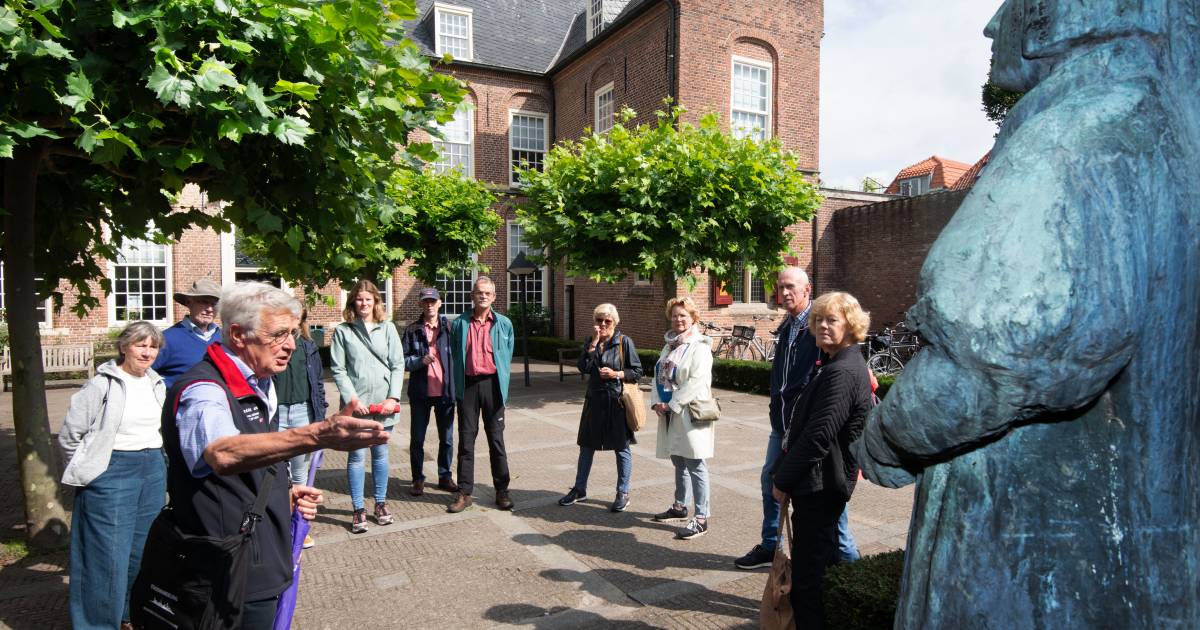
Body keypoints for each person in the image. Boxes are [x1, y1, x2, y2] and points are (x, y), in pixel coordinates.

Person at [158, 281, 387, 629]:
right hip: (226, 569)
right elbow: (221, 453)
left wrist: (283, 493)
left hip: (259, 557)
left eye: (293, 333)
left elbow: (250, 460)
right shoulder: (203, 390)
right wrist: (316, 434)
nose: (291, 345)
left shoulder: (260, 383)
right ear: (238, 334)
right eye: (279, 334)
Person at [735, 267, 860, 570]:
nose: (785, 293)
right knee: (770, 479)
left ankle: (849, 560)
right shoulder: (788, 326)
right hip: (782, 425)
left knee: (825, 493)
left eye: (791, 287)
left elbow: (823, 383)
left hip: (806, 429)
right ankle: (771, 545)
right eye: (780, 288)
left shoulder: (818, 329)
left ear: (808, 289)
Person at [772, 292, 872, 629]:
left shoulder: (842, 371)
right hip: (817, 484)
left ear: (850, 326)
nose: (823, 327)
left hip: (821, 487)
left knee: (808, 582)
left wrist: (781, 480)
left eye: (832, 320)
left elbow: (818, 436)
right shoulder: (834, 363)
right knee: (818, 569)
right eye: (819, 321)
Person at [59, 322, 167, 630]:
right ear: (123, 347)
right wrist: (90, 470)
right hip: (112, 471)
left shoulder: (157, 382)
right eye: (140, 345)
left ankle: (126, 615)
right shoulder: (102, 384)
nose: (147, 352)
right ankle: (95, 624)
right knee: (106, 556)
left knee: (142, 550)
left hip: (152, 468)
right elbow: (70, 435)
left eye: (153, 346)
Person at [331, 279, 405, 533]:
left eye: (368, 299)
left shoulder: (388, 329)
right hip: (358, 407)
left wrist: (393, 397)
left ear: (376, 302)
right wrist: (353, 400)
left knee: (381, 455)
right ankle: (358, 508)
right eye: (359, 299)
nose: (364, 303)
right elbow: (338, 370)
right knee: (357, 456)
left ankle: (381, 503)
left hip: (384, 406)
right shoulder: (343, 331)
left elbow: (398, 364)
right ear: (353, 301)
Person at [558, 303, 642, 512]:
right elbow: (583, 367)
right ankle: (579, 489)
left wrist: (616, 374)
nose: (603, 324)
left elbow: (637, 371)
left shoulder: (624, 342)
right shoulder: (590, 341)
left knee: (622, 449)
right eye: (599, 320)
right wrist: (594, 343)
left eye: (607, 321)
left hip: (616, 403)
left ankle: (623, 492)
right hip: (594, 401)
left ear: (615, 322)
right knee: (586, 447)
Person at [649, 297, 715, 540]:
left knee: (696, 463)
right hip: (669, 412)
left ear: (693, 319)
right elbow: (657, 374)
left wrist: (672, 404)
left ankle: (701, 517)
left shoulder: (700, 347)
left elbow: (696, 382)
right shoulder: (670, 345)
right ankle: (679, 506)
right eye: (675, 315)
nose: (678, 320)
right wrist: (656, 400)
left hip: (689, 413)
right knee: (678, 460)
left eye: (683, 316)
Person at [447, 276, 515, 513]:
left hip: (493, 385)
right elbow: (456, 354)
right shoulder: (459, 324)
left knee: (496, 441)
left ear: (494, 297)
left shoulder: (504, 324)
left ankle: (502, 491)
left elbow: (507, 355)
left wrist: (503, 384)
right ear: (472, 296)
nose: (483, 296)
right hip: (468, 386)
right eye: (479, 292)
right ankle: (465, 493)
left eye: (487, 293)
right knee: (466, 440)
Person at [273, 309, 328, 549]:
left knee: (300, 475)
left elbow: (317, 382)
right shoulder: (273, 344)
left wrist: (320, 417)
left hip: (302, 412)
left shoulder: (307, 345)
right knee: (276, 476)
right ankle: (279, 527)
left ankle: (300, 527)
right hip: (278, 414)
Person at [401, 287, 458, 496]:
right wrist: (419, 361)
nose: (429, 305)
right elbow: (402, 361)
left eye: (433, 301)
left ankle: (445, 476)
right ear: (420, 304)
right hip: (420, 394)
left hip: (445, 393)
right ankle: (417, 479)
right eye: (425, 301)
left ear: (440, 303)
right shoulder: (412, 330)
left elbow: (460, 358)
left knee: (448, 439)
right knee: (417, 439)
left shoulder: (451, 328)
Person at [152, 278, 223, 387]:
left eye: (214, 304)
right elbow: (143, 375)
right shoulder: (167, 339)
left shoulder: (225, 339)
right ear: (189, 302)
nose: (209, 309)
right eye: (204, 302)